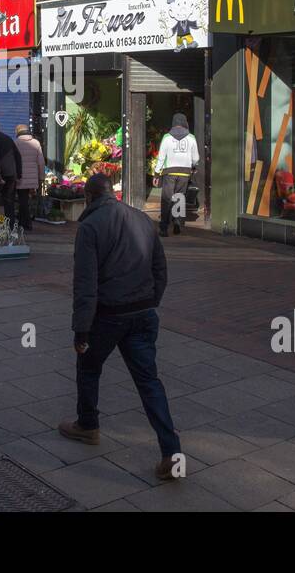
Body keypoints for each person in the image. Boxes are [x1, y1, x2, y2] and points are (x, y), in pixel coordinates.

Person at [59, 173, 181, 481]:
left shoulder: (89, 227)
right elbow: (160, 270)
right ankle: (172, 452)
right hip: (142, 312)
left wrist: (81, 330)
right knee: (149, 382)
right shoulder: (142, 219)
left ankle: (88, 424)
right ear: (111, 193)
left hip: (109, 315)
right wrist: (150, 299)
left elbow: (85, 284)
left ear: (88, 197)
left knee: (88, 365)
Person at [154, 112, 200, 237]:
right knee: (179, 197)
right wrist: (193, 166)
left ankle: (164, 228)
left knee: (167, 199)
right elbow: (196, 158)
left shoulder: (167, 137)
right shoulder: (191, 138)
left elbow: (161, 157)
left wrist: (156, 174)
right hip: (185, 172)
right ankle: (177, 222)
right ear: (185, 123)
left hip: (170, 172)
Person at [14, 124, 46, 232]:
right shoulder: (36, 143)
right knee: (25, 200)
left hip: (20, 176)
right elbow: (41, 162)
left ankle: (27, 223)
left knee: (23, 200)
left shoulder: (16, 143)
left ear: (17, 132)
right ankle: (23, 222)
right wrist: (41, 177)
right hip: (32, 177)